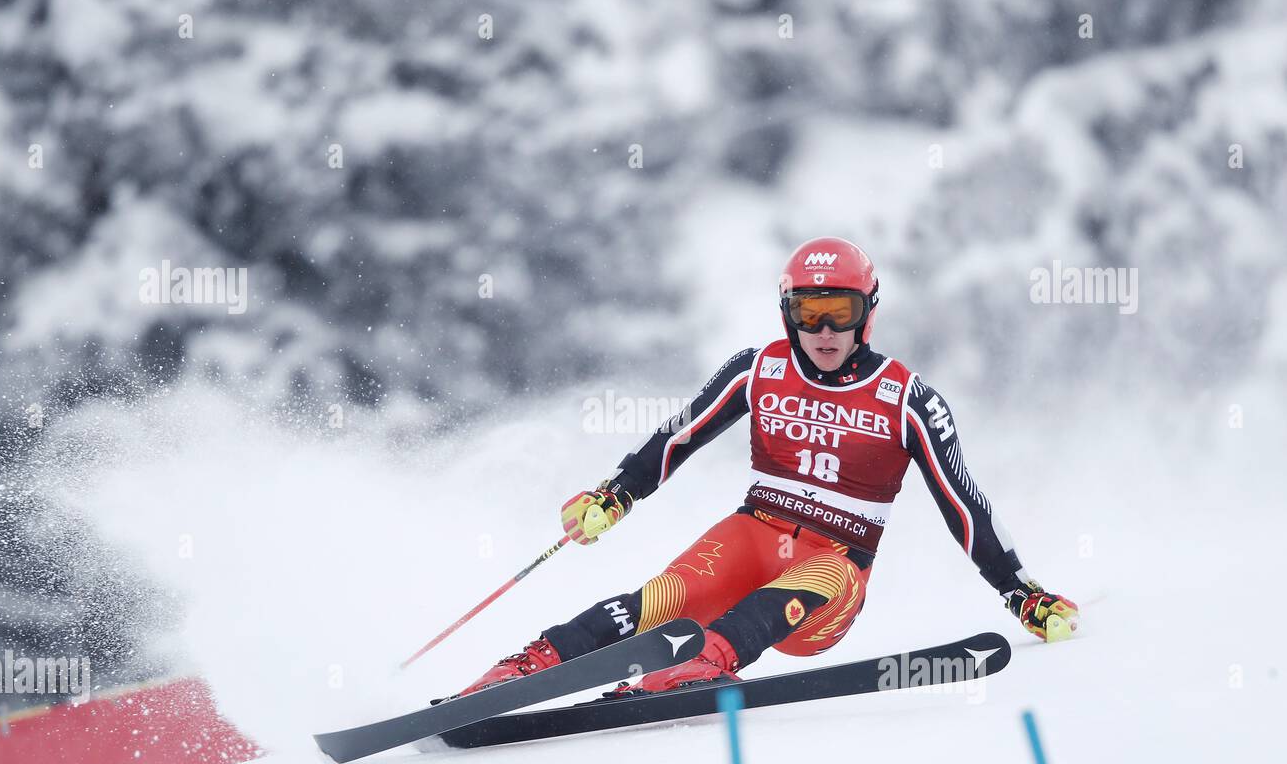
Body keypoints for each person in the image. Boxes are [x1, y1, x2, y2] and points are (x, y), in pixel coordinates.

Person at [458, 237, 1078, 697]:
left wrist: (1020, 594)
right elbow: (679, 437)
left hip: (831, 571)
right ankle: (532, 663)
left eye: (842, 309)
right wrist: (614, 495)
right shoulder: (760, 369)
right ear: (788, 313)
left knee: (804, 585)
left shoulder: (905, 396)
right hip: (751, 534)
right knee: (659, 600)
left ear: (868, 312)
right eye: (810, 312)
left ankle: (709, 662)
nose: (827, 329)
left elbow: (963, 505)